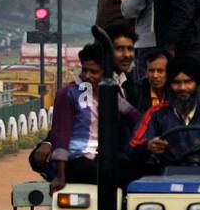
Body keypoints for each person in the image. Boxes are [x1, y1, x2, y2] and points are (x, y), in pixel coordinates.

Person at [44, 43, 141, 192]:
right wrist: (60, 176)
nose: (87, 76)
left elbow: (134, 117)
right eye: (85, 70)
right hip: (77, 160)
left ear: (105, 73)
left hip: (103, 157)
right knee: (107, 176)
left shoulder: (109, 93)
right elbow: (61, 135)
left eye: (94, 71)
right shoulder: (69, 94)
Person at [124, 56, 200, 176]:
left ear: (197, 84)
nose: (182, 88)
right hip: (164, 178)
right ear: (170, 84)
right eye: (176, 83)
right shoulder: (155, 114)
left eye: (188, 82)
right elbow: (132, 148)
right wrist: (148, 146)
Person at [105, 22, 141, 104]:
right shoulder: (98, 83)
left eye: (130, 49)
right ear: (107, 50)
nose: (127, 55)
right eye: (119, 49)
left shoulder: (131, 83)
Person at [131, 48, 170, 113]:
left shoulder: (176, 90)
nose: (155, 75)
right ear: (146, 72)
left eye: (160, 71)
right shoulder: (136, 92)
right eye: (151, 70)